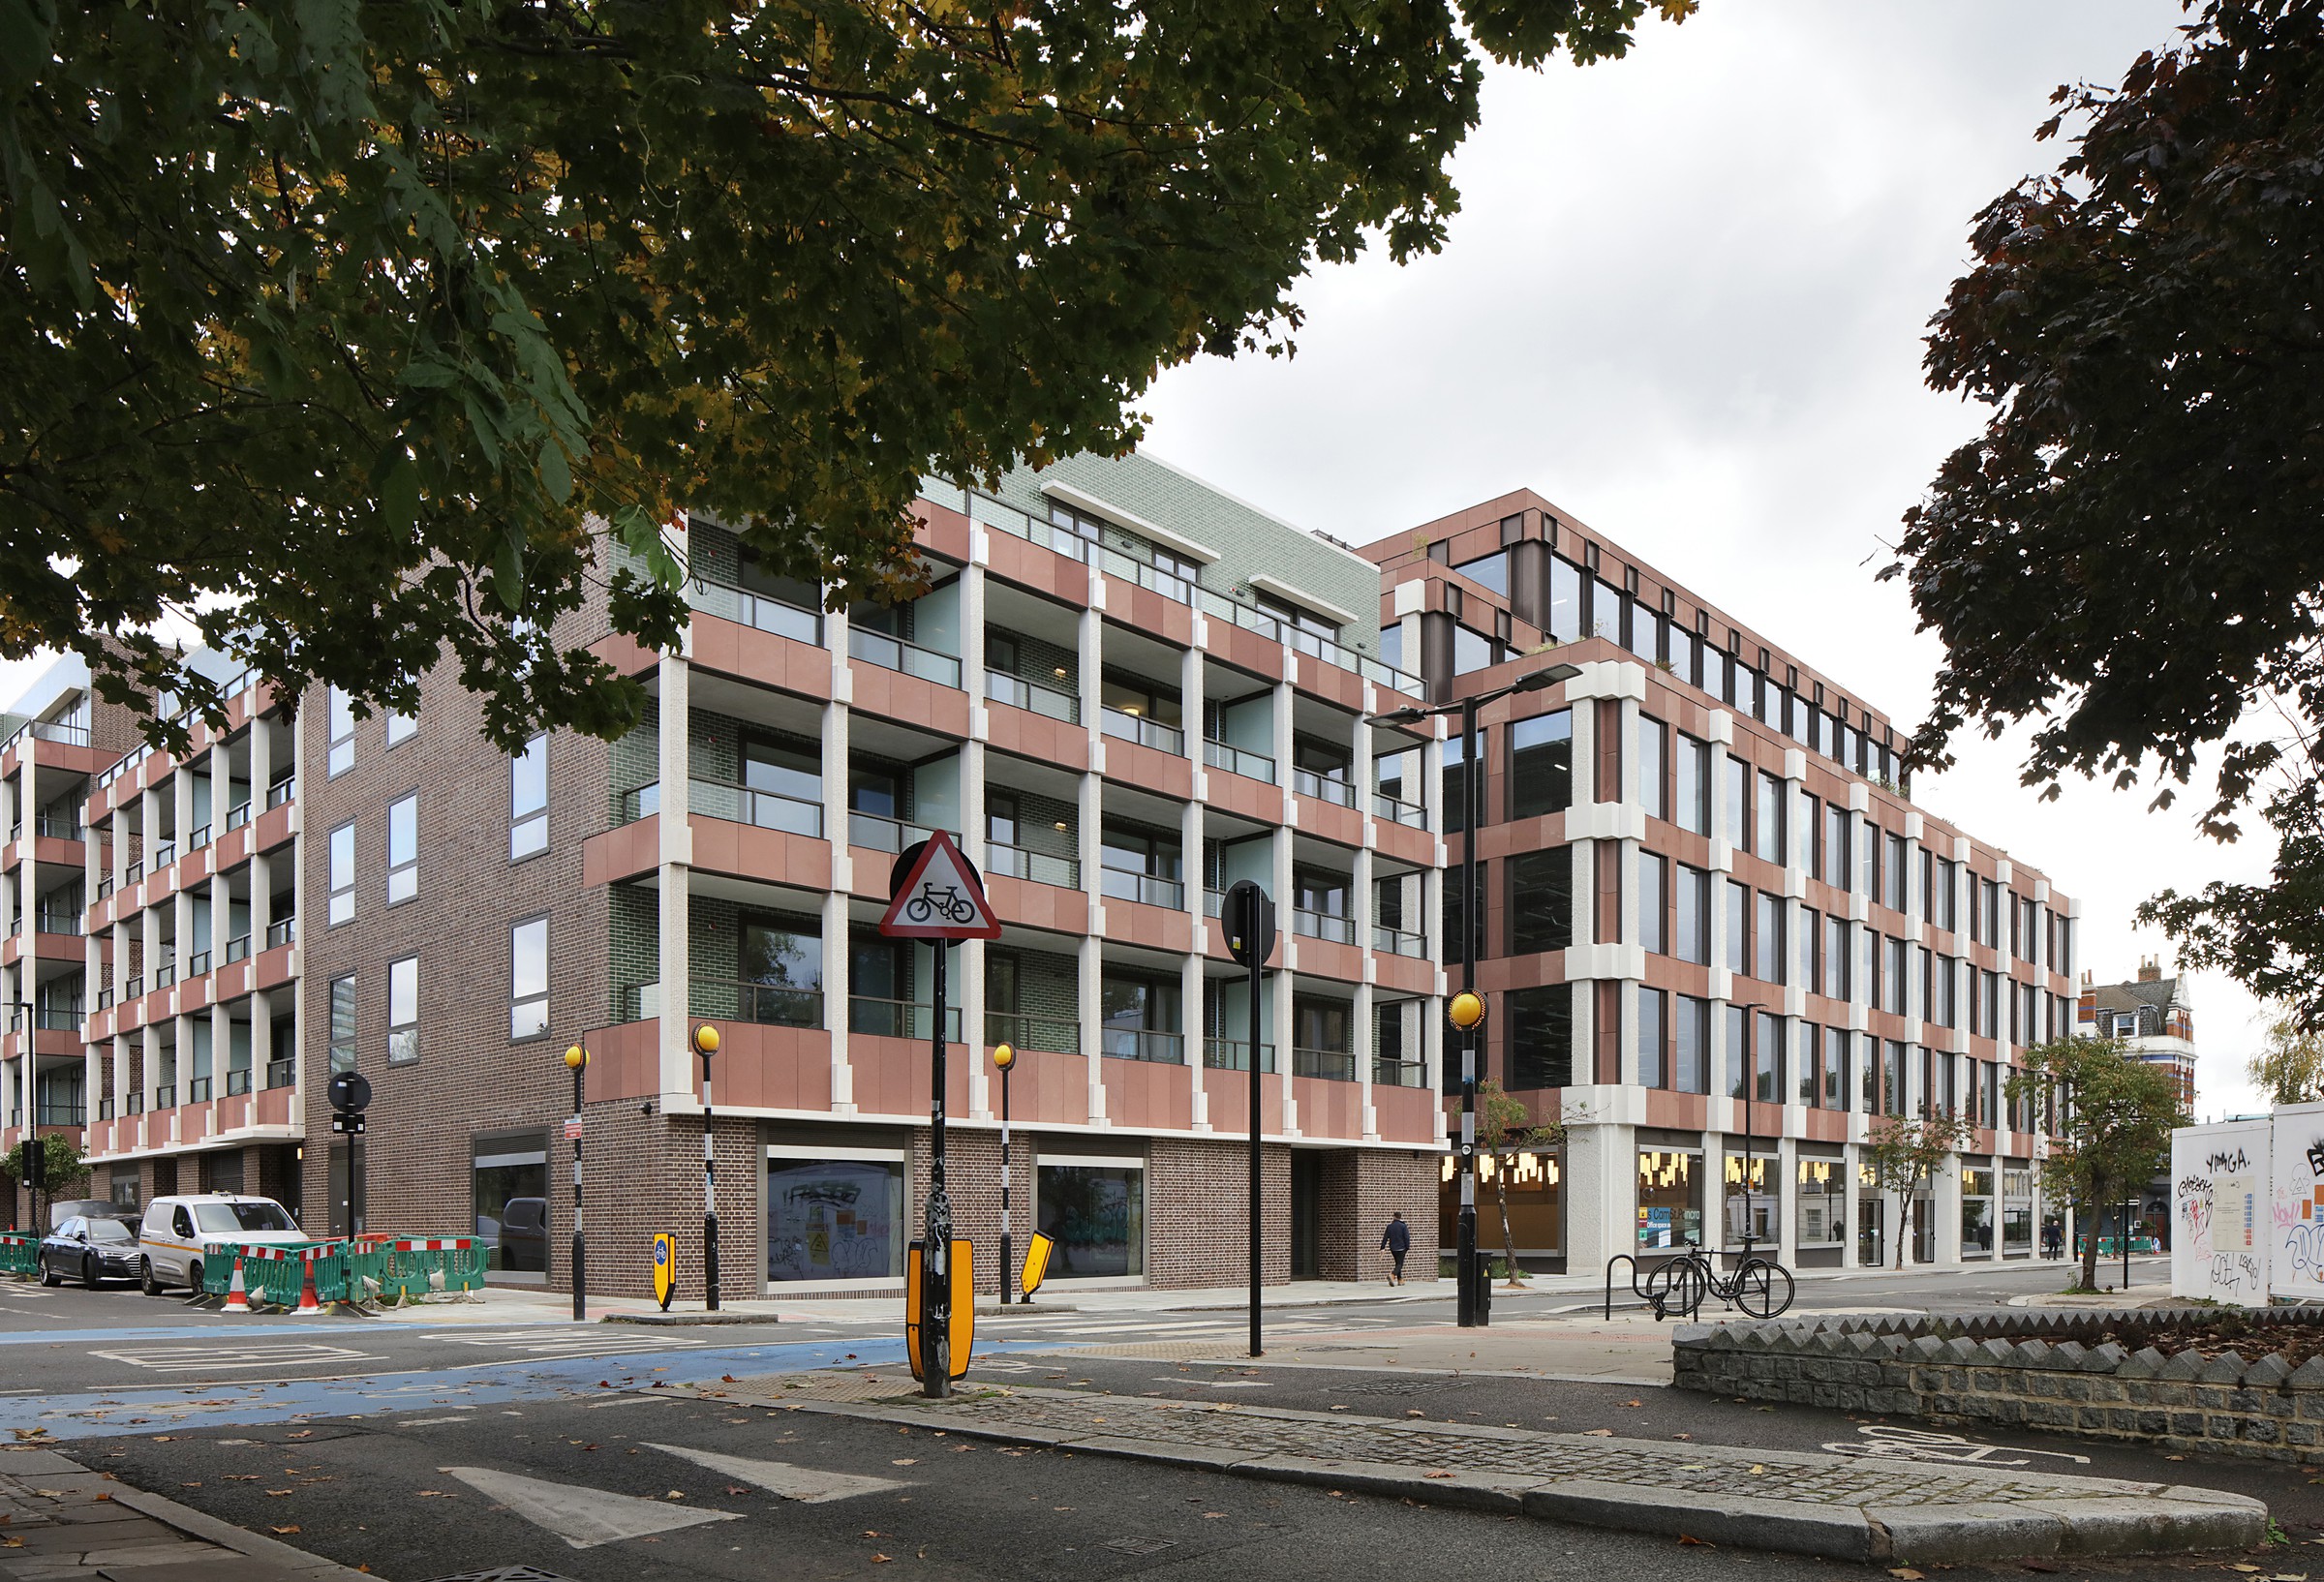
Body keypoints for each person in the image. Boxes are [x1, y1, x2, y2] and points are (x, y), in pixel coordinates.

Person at [1380, 1211, 1411, 1285]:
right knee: (1400, 1264)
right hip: (1402, 1248)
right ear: (1400, 1217)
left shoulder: (1390, 1226)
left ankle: (1400, 1280)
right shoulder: (1403, 1226)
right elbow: (1406, 1237)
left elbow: (1385, 1238)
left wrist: (1382, 1247)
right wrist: (1407, 1247)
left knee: (1397, 1263)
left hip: (1393, 1248)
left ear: (1394, 1217)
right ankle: (1392, 1275)